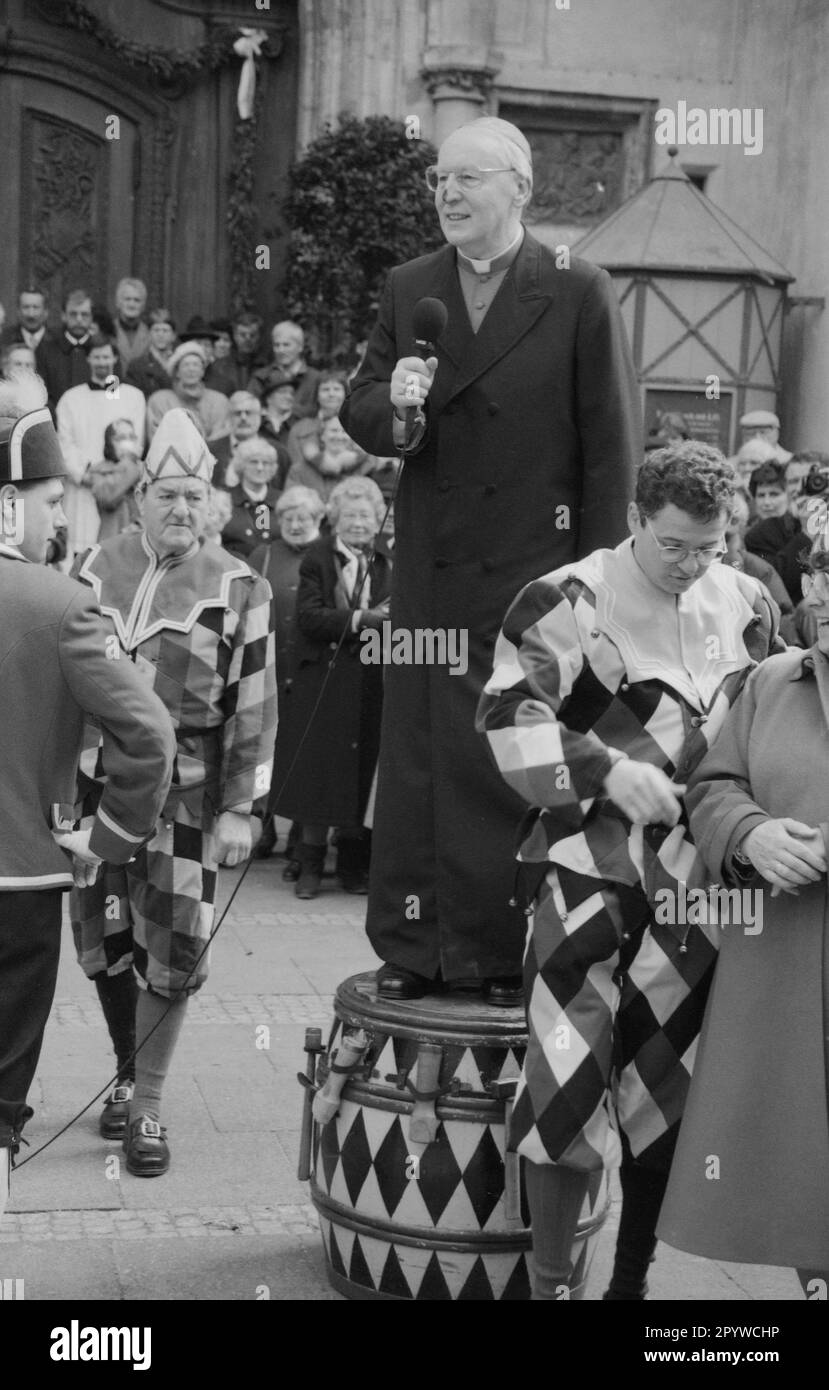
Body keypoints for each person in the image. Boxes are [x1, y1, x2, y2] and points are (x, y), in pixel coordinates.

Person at [340, 114, 642, 1004]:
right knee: (419, 759)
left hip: (529, 579)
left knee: (511, 759)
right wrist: (393, 412)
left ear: (519, 187)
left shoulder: (578, 287)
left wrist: (595, 586)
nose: (447, 193)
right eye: (438, 180)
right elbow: (362, 408)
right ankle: (414, 947)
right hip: (428, 581)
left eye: (467, 179)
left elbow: (609, 449)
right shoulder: (410, 287)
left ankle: (503, 955)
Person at [478, 442, 783, 1300]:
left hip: (697, 884)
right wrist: (603, 768)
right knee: (564, 1085)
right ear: (633, 520)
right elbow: (505, 718)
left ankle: (627, 1290)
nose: (693, 565)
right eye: (675, 545)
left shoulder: (749, 599)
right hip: (582, 869)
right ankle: (548, 1288)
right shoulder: (568, 598)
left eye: (711, 546)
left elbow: (769, 716)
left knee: (663, 1093)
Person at [69, 409, 277, 1177]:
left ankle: (148, 1108)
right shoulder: (89, 568)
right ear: (142, 496)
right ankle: (124, 1073)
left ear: (212, 502)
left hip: (187, 796)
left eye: (195, 496)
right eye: (168, 494)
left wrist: (239, 807)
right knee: (106, 943)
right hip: (94, 791)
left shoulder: (240, 585)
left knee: (176, 947)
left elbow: (254, 704)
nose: (181, 509)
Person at [0, 374, 174, 1217]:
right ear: (8, 504)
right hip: (19, 881)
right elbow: (151, 736)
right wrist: (108, 838)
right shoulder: (64, 604)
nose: (60, 519)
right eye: (45, 500)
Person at [657, 523, 829, 1289]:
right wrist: (750, 835)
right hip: (790, 969)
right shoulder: (773, 681)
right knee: (801, 1165)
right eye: (821, 569)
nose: (821, 588)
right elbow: (711, 788)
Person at [273, 477, 391, 899]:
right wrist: (362, 620)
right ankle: (308, 863)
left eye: (367, 515)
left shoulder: (385, 559)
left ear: (379, 520)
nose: (360, 523)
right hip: (322, 681)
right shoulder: (318, 558)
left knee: (360, 776)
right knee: (321, 775)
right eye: (352, 515)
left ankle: (352, 866)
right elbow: (310, 617)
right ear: (336, 518)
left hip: (369, 682)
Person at [249, 485, 326, 867]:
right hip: (269, 665)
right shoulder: (263, 555)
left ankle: (299, 833)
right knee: (265, 747)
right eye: (289, 518)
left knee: (303, 751)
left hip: (309, 669)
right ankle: (262, 824)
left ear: (318, 520)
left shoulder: (325, 553)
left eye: (304, 518)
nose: (296, 525)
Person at [56, 334, 146, 561]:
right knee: (80, 553)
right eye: (96, 357)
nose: (102, 362)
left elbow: (132, 444)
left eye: (106, 356)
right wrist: (84, 474)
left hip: (118, 492)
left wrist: (112, 479)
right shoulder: (72, 398)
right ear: (88, 359)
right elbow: (65, 444)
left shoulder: (130, 397)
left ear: (115, 357)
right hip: (82, 488)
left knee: (113, 554)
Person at [146, 342, 229, 441]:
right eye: (186, 365)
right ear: (177, 372)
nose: (191, 369)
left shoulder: (218, 401)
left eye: (196, 365)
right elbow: (158, 440)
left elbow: (219, 439)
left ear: (203, 371)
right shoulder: (160, 401)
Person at [210, 391, 289, 490]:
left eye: (248, 413)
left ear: (260, 417)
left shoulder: (279, 452)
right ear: (229, 418)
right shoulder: (211, 451)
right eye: (237, 413)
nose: (243, 418)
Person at [286, 414, 372, 505]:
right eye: (333, 431)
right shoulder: (299, 470)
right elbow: (290, 502)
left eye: (345, 432)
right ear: (322, 436)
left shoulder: (366, 467)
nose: (339, 436)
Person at [221, 436, 282, 558]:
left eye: (266, 463)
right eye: (254, 462)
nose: (260, 468)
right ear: (242, 465)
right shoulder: (224, 499)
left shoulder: (283, 501)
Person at [248, 321, 320, 417]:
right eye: (277, 345)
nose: (281, 350)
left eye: (286, 345)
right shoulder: (261, 377)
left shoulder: (316, 378)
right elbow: (250, 408)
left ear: (300, 347)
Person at [37, 288, 94, 409]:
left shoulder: (103, 349)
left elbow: (113, 391)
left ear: (91, 317)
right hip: (57, 421)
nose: (79, 319)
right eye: (73, 314)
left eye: (84, 314)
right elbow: (41, 392)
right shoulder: (47, 350)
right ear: (64, 316)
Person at [87, 419, 143, 541]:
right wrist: (128, 462)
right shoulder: (99, 471)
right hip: (111, 543)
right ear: (109, 442)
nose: (127, 443)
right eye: (121, 438)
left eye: (131, 437)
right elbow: (107, 497)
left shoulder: (145, 469)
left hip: (142, 541)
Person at [287, 371, 349, 468]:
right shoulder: (300, 429)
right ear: (317, 395)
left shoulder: (359, 426)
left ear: (345, 394)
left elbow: (368, 459)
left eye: (337, 389)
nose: (331, 394)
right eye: (325, 389)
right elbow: (296, 464)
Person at [125, 308, 178, 398]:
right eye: (156, 330)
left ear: (173, 336)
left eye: (165, 331)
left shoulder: (180, 363)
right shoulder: (137, 365)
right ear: (149, 334)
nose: (160, 335)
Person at [0, 285, 51, 353]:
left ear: (46, 312)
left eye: (36, 307)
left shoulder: (58, 341)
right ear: (18, 311)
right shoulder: (4, 339)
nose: (31, 314)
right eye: (26, 307)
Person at [112, 278, 150, 367]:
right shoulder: (108, 330)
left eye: (137, 300)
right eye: (127, 299)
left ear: (143, 306)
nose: (132, 304)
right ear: (118, 302)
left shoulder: (150, 334)